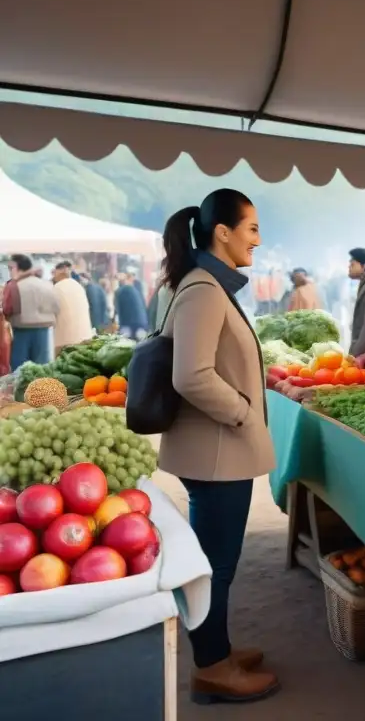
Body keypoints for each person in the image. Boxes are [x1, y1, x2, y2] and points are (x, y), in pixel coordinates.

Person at [158, 189, 279, 704]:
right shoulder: (205, 290)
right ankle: (210, 667)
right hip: (215, 451)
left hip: (216, 449)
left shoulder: (208, 285)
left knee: (217, 561)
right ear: (222, 233)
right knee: (215, 565)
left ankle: (219, 650)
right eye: (250, 228)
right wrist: (243, 412)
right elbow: (192, 375)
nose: (257, 238)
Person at [3, 254, 59, 369]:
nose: (10, 271)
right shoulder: (47, 284)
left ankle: (22, 387)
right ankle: (40, 386)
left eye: (11, 268)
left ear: (17, 267)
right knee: (41, 366)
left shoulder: (14, 286)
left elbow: (7, 309)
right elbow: (56, 307)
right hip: (44, 329)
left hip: (21, 330)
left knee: (20, 368)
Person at [52, 261, 94, 352]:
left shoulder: (57, 288)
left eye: (54, 273)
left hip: (65, 343)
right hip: (85, 338)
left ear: (59, 272)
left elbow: (50, 314)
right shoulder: (79, 286)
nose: (53, 276)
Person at [115, 271, 149, 340]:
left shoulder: (120, 291)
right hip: (141, 323)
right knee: (140, 343)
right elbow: (143, 305)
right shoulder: (137, 290)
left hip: (128, 324)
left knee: (126, 345)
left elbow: (119, 310)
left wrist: (120, 325)